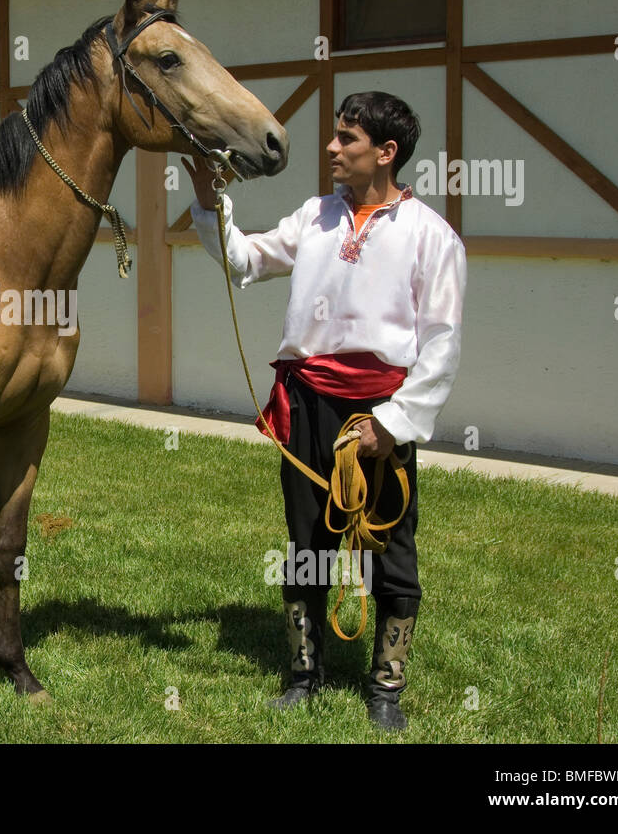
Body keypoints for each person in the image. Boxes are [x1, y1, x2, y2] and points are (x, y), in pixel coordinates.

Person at [184, 91, 467, 731]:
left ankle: (385, 690)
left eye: (348, 138)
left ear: (386, 152)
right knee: (307, 543)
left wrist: (391, 425)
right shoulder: (315, 217)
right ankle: (304, 675)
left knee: (388, 547)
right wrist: (208, 199)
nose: (332, 148)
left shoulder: (431, 237)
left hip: (380, 413)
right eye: (336, 135)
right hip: (308, 404)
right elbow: (245, 261)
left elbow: (442, 345)